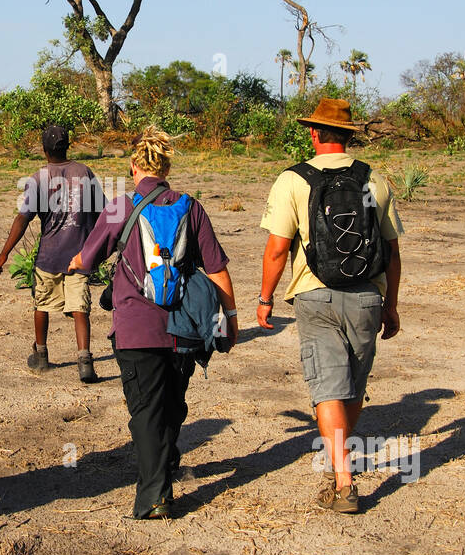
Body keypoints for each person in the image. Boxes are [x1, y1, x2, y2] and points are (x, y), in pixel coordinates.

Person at [70, 127, 238, 519]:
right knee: (172, 404)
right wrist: (229, 321)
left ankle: (155, 495)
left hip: (135, 328)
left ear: (133, 167)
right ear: (166, 167)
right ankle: (165, 465)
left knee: (145, 411)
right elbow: (217, 271)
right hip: (185, 329)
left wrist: (74, 263)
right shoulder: (191, 206)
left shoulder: (118, 207)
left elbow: (88, 259)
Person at [256, 99, 404, 513]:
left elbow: (277, 249)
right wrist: (391, 305)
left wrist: (265, 298)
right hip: (367, 296)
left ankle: (343, 481)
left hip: (313, 293)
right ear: (349, 136)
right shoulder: (374, 180)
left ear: (315, 133)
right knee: (353, 384)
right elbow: (391, 250)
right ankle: (340, 460)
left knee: (327, 386)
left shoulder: (292, 180)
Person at [0, 124, 104, 382]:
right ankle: (85, 360)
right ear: (68, 146)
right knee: (80, 308)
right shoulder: (84, 172)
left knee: (41, 304)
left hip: (49, 255)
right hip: (80, 255)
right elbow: (102, 213)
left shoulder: (39, 178)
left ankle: (41, 355)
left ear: (44, 150)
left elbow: (23, 219)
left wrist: (4, 254)